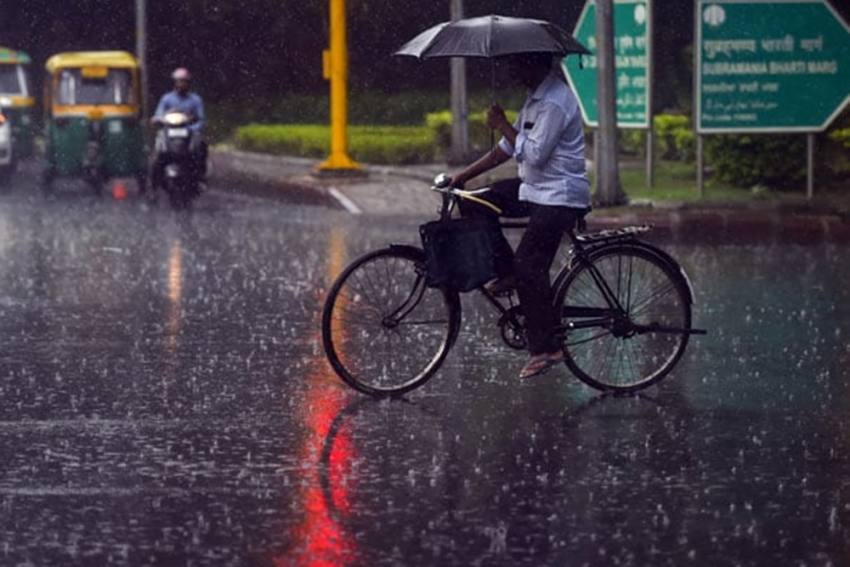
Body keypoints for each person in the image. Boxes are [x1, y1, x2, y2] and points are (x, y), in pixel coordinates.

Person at [451, 52, 591, 379]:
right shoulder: (535, 99)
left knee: (530, 264)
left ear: (536, 65)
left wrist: (502, 123)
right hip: (535, 189)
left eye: (518, 65)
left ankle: (547, 347)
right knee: (475, 201)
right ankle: (505, 271)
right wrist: (465, 176)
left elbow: (534, 153)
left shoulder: (556, 101)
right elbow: (507, 148)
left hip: (559, 194)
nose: (513, 71)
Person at [150, 67, 207, 193]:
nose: (181, 84)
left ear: (189, 83)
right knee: (157, 156)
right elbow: (159, 114)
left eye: (184, 81)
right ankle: (153, 188)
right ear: (174, 83)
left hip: (188, 134)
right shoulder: (167, 99)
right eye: (179, 81)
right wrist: (158, 120)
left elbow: (202, 120)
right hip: (169, 133)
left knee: (201, 148)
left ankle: (201, 179)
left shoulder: (195, 100)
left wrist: (191, 128)